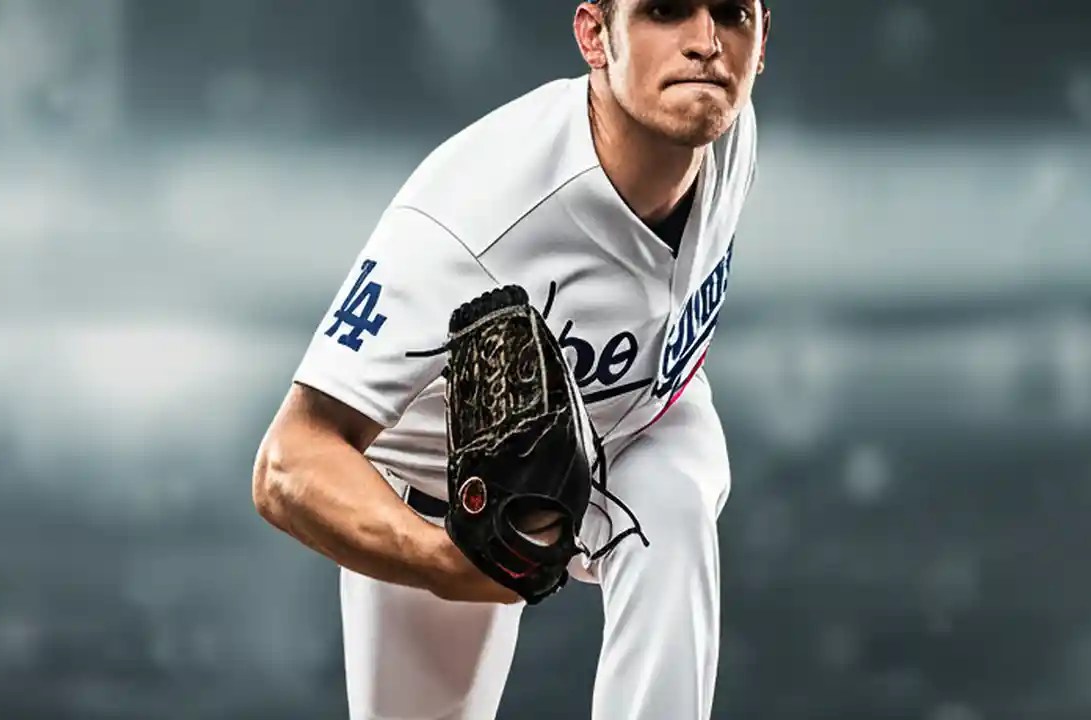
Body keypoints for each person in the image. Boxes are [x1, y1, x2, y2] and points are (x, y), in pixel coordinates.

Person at [252, 1, 771, 717]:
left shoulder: (727, 128)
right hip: (451, 496)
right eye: (665, 9)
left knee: (673, 507)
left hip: (646, 428)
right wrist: (442, 560)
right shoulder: (471, 219)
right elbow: (289, 462)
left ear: (762, 40)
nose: (706, 42)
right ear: (595, 36)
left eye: (733, 14)